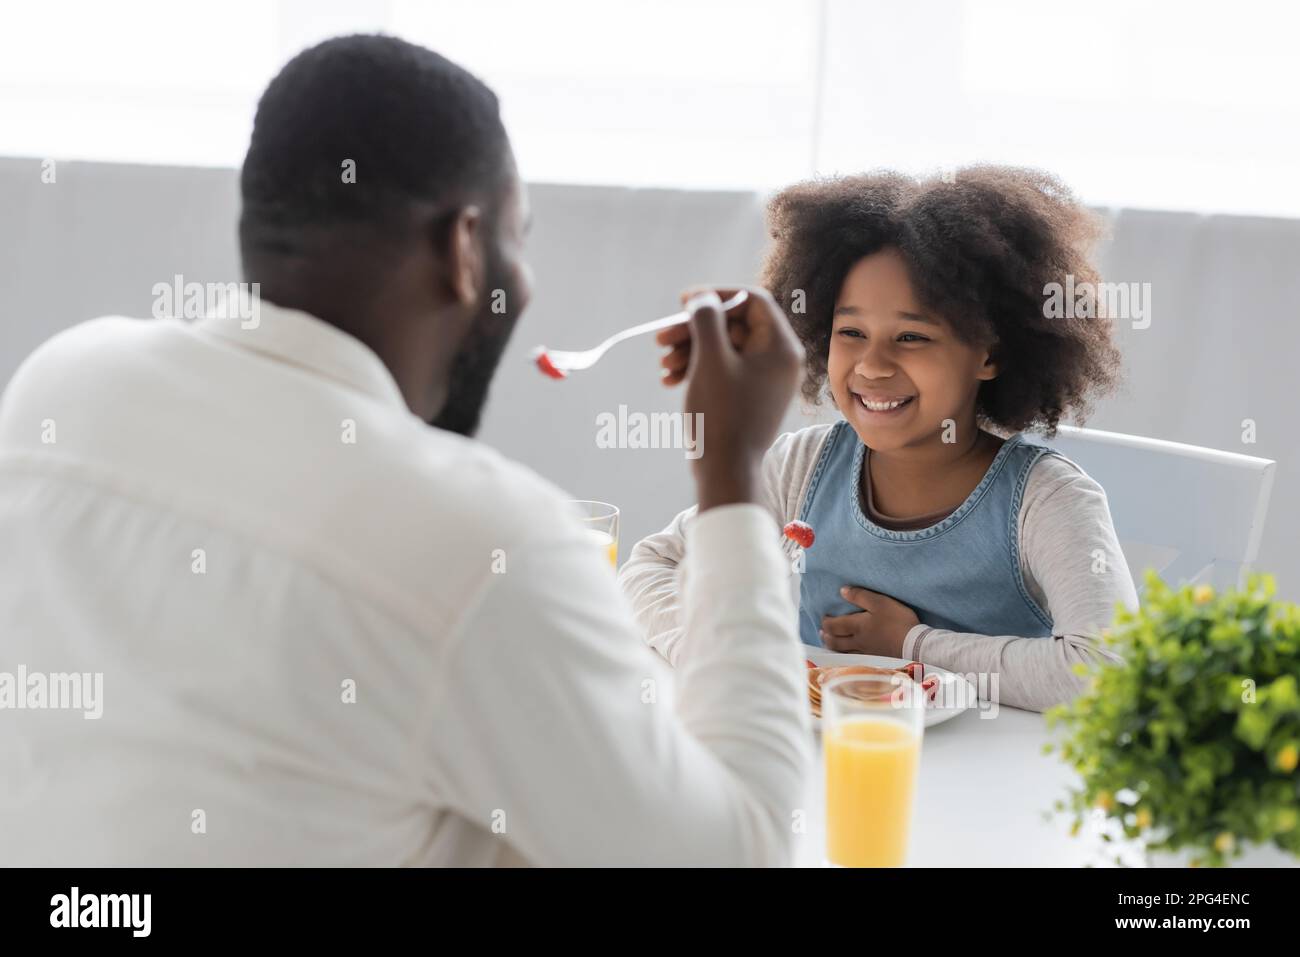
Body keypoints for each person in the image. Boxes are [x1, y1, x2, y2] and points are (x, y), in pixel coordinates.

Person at [0, 34, 811, 866]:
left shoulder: (56, 386)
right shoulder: (486, 544)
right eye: (516, 238)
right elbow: (739, 849)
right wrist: (733, 476)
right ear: (465, 250)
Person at [620, 167, 1139, 712]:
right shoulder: (802, 465)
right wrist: (720, 658)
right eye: (851, 333)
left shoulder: (1048, 499)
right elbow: (653, 564)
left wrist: (911, 645)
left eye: (912, 337)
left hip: (992, 781)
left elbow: (1107, 672)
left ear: (990, 355)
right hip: (822, 770)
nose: (871, 365)